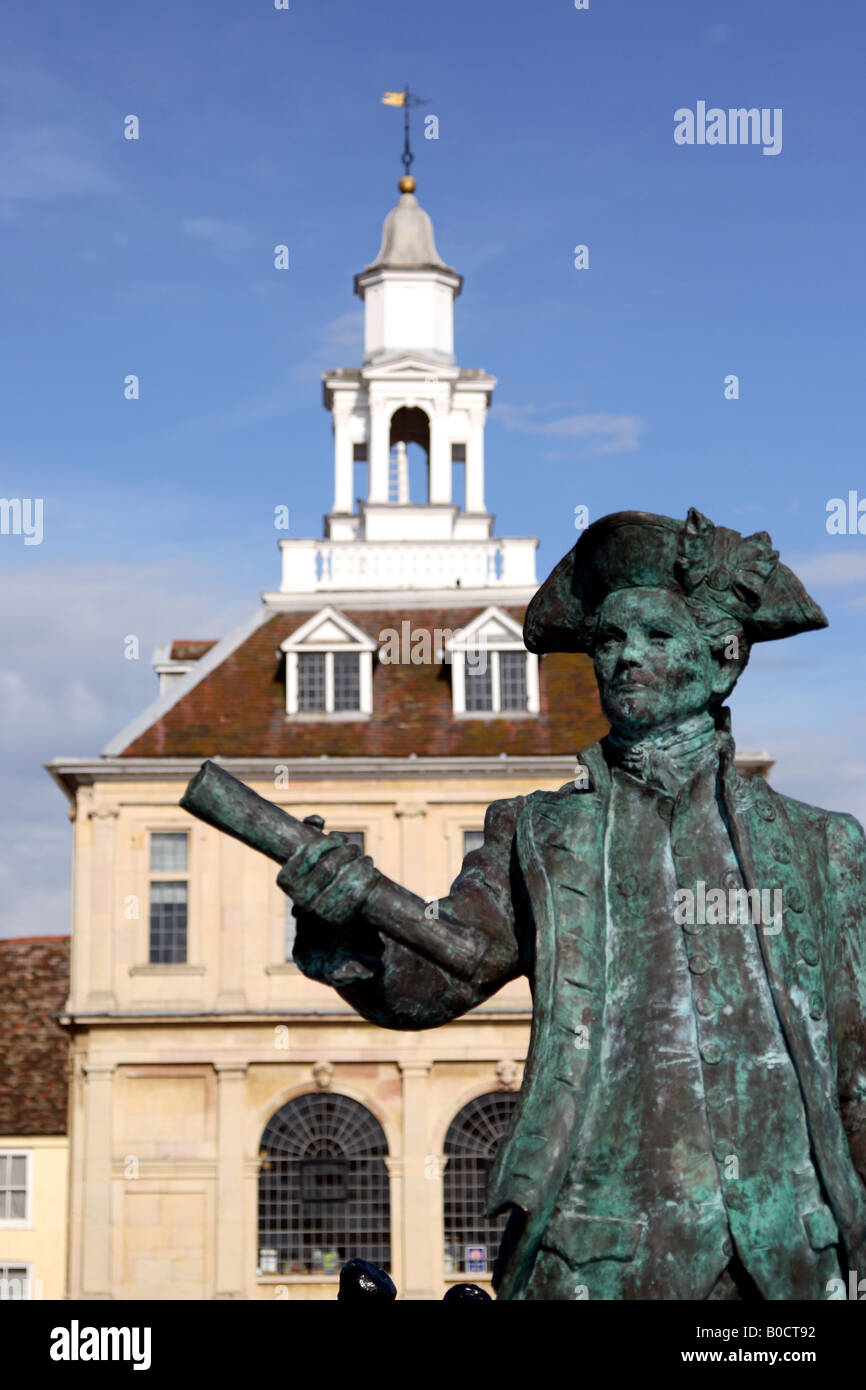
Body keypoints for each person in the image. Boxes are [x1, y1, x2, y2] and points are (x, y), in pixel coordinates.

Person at [277, 507, 866, 1300]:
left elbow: (857, 1071)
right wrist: (339, 917)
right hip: (595, 1256)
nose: (626, 659)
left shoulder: (822, 848)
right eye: (610, 642)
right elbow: (435, 978)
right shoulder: (539, 833)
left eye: (657, 638)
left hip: (792, 1256)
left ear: (723, 662)